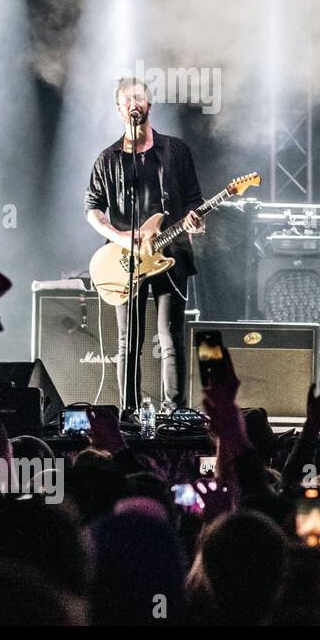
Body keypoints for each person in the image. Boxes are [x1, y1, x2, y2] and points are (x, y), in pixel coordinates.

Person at [85, 77, 205, 410]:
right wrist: (121, 236)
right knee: (129, 342)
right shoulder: (108, 159)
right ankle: (129, 413)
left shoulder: (176, 150)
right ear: (119, 110)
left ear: (149, 105)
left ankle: (174, 412)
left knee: (171, 337)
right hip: (126, 259)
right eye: (127, 100)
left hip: (173, 252)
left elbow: (194, 200)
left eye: (139, 98)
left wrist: (196, 219)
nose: (133, 104)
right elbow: (92, 209)